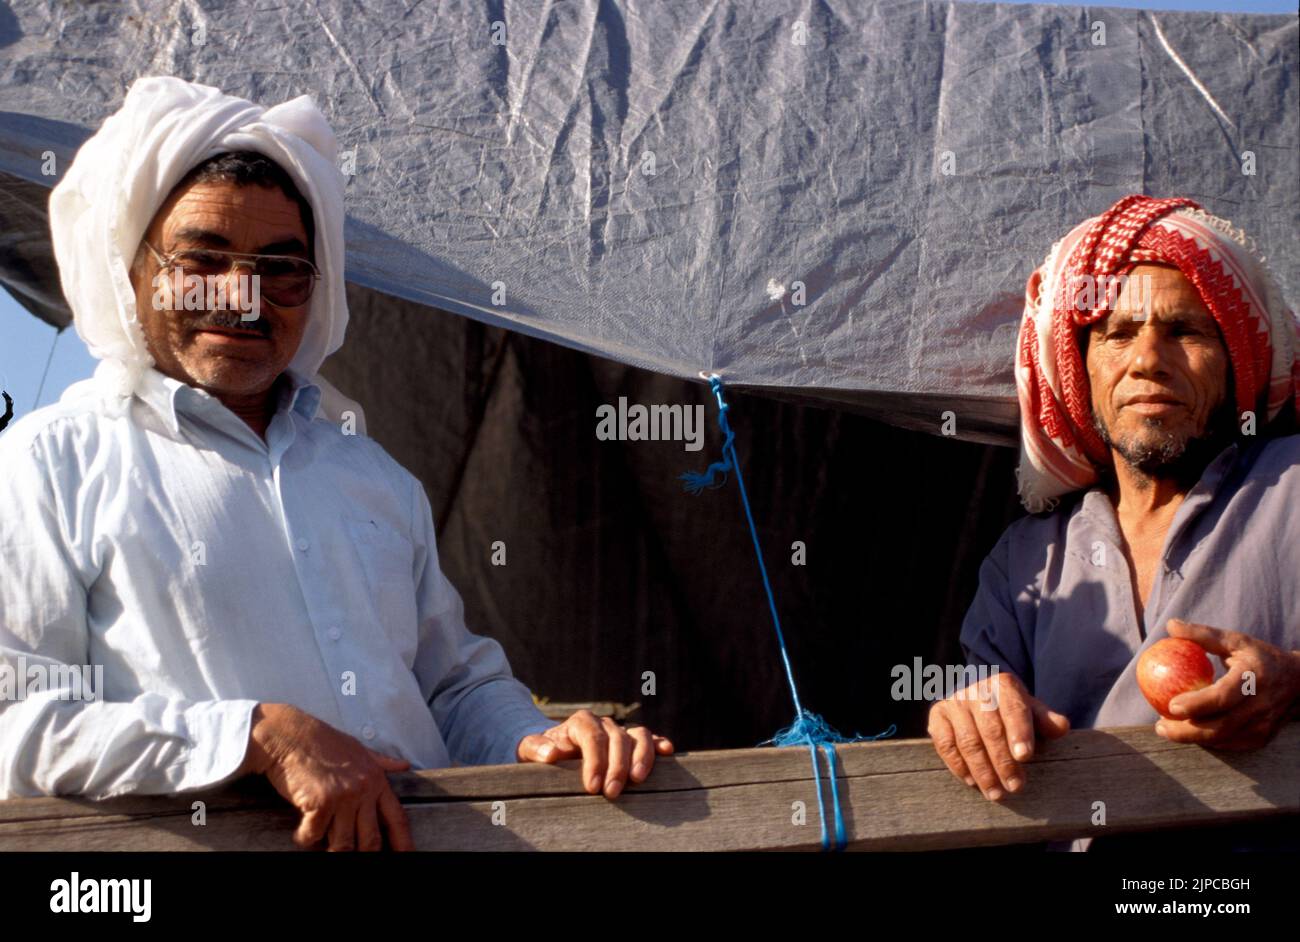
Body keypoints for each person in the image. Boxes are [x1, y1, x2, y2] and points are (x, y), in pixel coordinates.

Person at [0, 77, 671, 852]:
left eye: (282, 267)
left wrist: (534, 735)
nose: (244, 296)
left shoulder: (374, 478)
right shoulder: (49, 466)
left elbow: (454, 687)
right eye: (202, 259)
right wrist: (257, 735)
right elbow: (19, 723)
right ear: (132, 270)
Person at [927, 195, 1300, 849]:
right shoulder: (1024, 563)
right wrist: (970, 718)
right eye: (1118, 334)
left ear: (1237, 360)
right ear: (1081, 371)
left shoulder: (1291, 487)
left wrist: (1295, 683)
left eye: (1186, 332)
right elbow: (979, 695)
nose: (1149, 359)